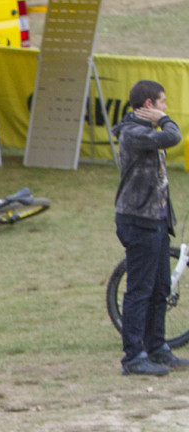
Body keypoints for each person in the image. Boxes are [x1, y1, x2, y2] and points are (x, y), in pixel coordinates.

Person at [112, 79, 188, 376]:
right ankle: (133, 357)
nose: (165, 107)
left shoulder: (145, 131)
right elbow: (173, 136)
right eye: (162, 102)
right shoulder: (133, 132)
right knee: (139, 291)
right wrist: (164, 120)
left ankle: (157, 348)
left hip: (155, 220)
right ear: (149, 106)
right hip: (138, 221)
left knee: (160, 289)